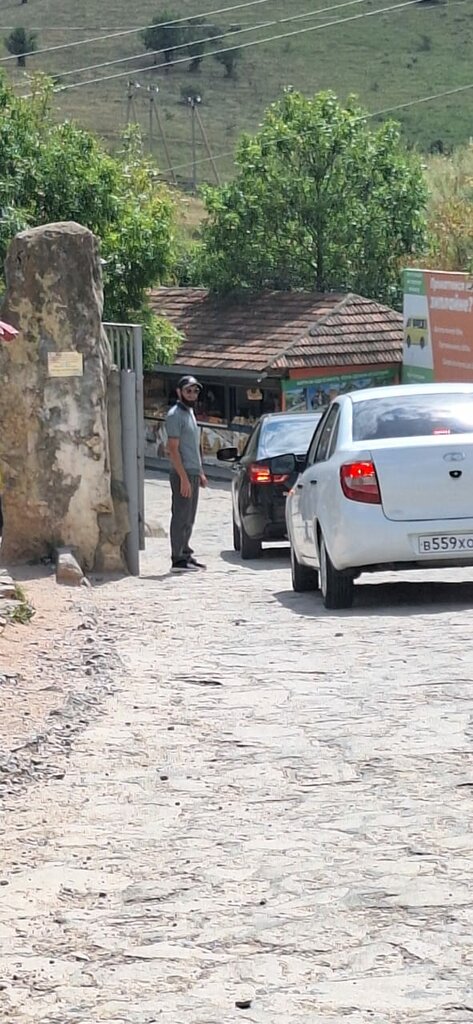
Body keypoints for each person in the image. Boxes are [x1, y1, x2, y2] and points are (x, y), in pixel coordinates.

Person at [165, 375, 208, 573]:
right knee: (181, 515)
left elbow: (193, 445)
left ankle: (186, 552)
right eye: (188, 390)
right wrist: (183, 478)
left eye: (195, 391)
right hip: (181, 473)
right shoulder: (175, 415)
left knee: (189, 517)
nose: (192, 394)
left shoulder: (189, 412)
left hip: (192, 471)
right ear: (179, 392)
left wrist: (200, 472)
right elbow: (173, 449)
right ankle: (178, 559)